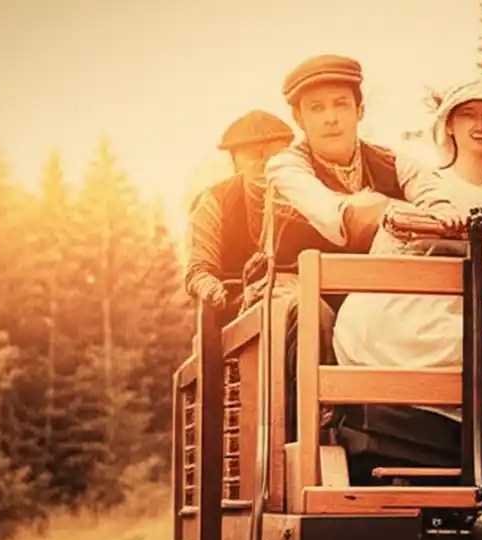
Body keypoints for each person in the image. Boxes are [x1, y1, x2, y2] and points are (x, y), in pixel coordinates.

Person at [246, 54, 464, 438]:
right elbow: (338, 220)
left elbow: (437, 199)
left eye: (341, 105)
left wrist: (445, 214)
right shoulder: (285, 168)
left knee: (433, 310)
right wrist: (393, 212)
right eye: (317, 108)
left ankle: (423, 426)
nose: (330, 117)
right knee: (313, 313)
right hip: (290, 284)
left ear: (359, 110)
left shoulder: (394, 161)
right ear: (300, 119)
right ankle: (316, 430)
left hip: (369, 287)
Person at [331, 74, 482, 436]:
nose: (479, 126)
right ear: (450, 124)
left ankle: (475, 445)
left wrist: (461, 231)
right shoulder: (422, 182)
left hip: (454, 313)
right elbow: (390, 232)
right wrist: (422, 221)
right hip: (397, 308)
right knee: (389, 329)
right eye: (468, 115)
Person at [184, 110, 294, 311]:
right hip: (236, 314)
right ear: (235, 163)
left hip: (300, 302)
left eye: (275, 155)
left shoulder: (309, 196)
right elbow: (198, 270)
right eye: (255, 155)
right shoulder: (214, 201)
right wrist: (212, 290)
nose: (265, 164)